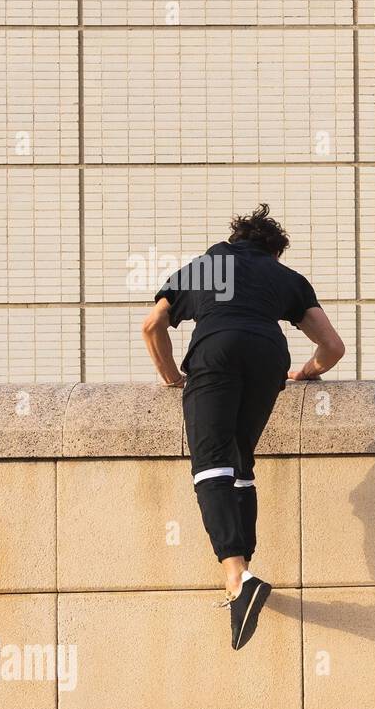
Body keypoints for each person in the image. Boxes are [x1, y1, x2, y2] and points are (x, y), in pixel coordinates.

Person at [140, 204, 345, 650]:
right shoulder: (285, 278)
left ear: (234, 240)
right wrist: (306, 372)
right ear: (274, 252)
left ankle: (235, 578)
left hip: (217, 349)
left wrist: (172, 376)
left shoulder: (208, 266)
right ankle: (245, 572)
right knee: (239, 462)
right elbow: (332, 346)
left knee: (211, 463)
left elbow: (153, 324)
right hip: (269, 355)